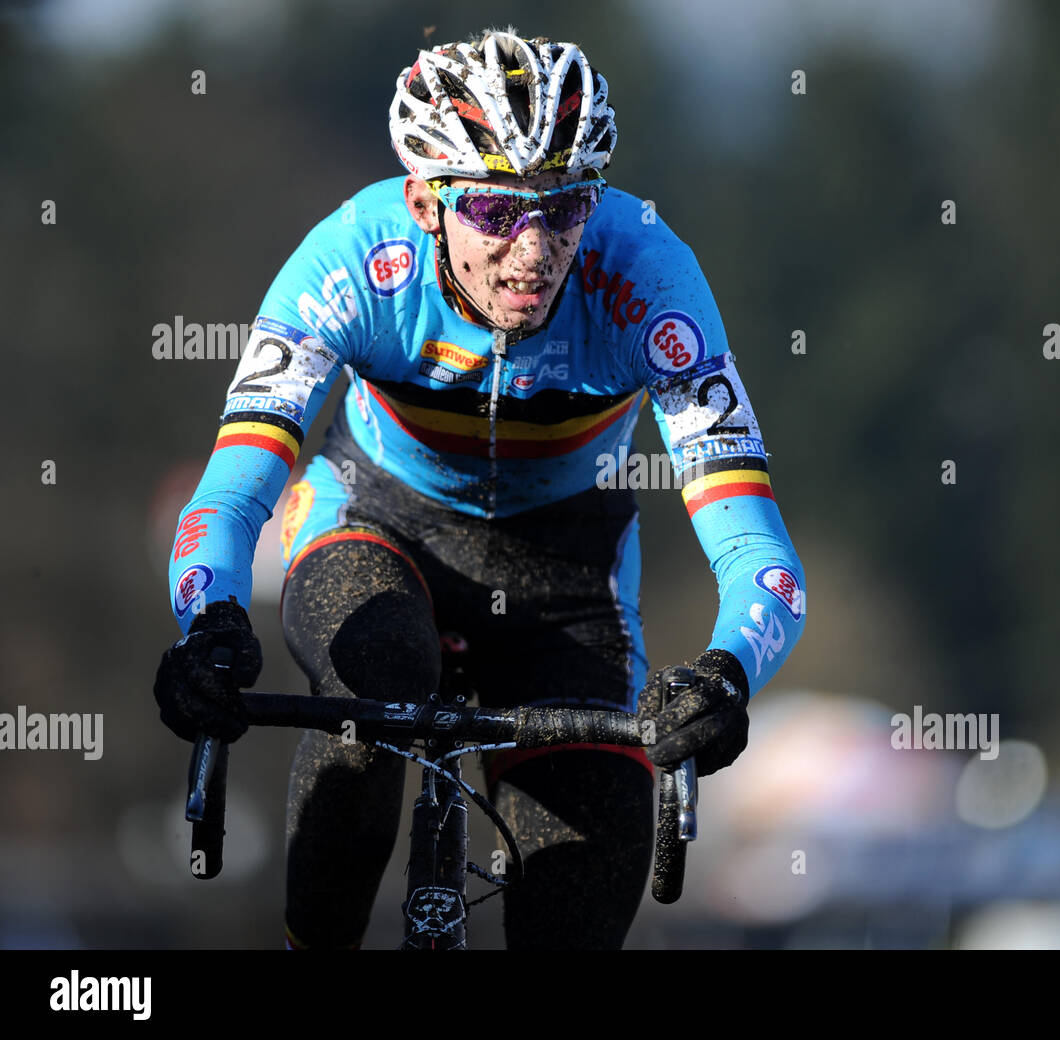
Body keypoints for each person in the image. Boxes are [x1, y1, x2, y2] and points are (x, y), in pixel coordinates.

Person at [153, 28, 806, 949]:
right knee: (370, 687)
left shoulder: (650, 277)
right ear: (426, 200)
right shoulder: (350, 261)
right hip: (376, 523)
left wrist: (726, 675)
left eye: (566, 207)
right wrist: (210, 629)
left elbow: (760, 555)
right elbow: (228, 500)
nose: (534, 251)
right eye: (497, 212)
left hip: (564, 574)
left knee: (581, 892)